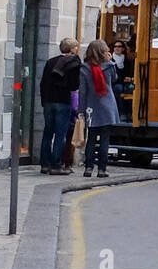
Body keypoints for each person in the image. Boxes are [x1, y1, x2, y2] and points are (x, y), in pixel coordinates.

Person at [78, 40, 120, 178]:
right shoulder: (109, 66)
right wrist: (111, 61)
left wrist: (81, 110)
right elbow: (114, 79)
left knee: (91, 139)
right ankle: (102, 170)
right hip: (108, 106)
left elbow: (82, 92)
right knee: (104, 140)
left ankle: (88, 168)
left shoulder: (84, 68)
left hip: (91, 106)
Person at [39, 38, 81, 175]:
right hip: (63, 101)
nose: (77, 49)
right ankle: (56, 165)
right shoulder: (74, 63)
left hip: (48, 101)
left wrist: (44, 100)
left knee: (47, 132)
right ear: (72, 49)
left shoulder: (50, 62)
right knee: (60, 134)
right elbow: (74, 85)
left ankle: (44, 164)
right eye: (76, 47)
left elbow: (43, 82)